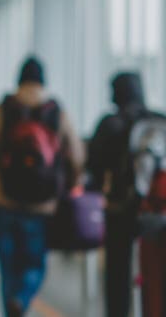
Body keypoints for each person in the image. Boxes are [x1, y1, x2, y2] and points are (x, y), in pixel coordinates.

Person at [0, 57, 84, 317]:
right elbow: (76, 155)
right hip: (42, 204)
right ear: (43, 80)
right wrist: (71, 187)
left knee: (8, 266)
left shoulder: (1, 110)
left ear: (18, 79)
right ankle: (22, 297)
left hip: (1, 201)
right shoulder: (56, 113)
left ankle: (13, 307)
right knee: (35, 264)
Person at [87, 72, 164, 317]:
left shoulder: (110, 123)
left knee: (118, 275)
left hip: (121, 209)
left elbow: (94, 167)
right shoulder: (159, 120)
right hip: (155, 213)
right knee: (155, 278)